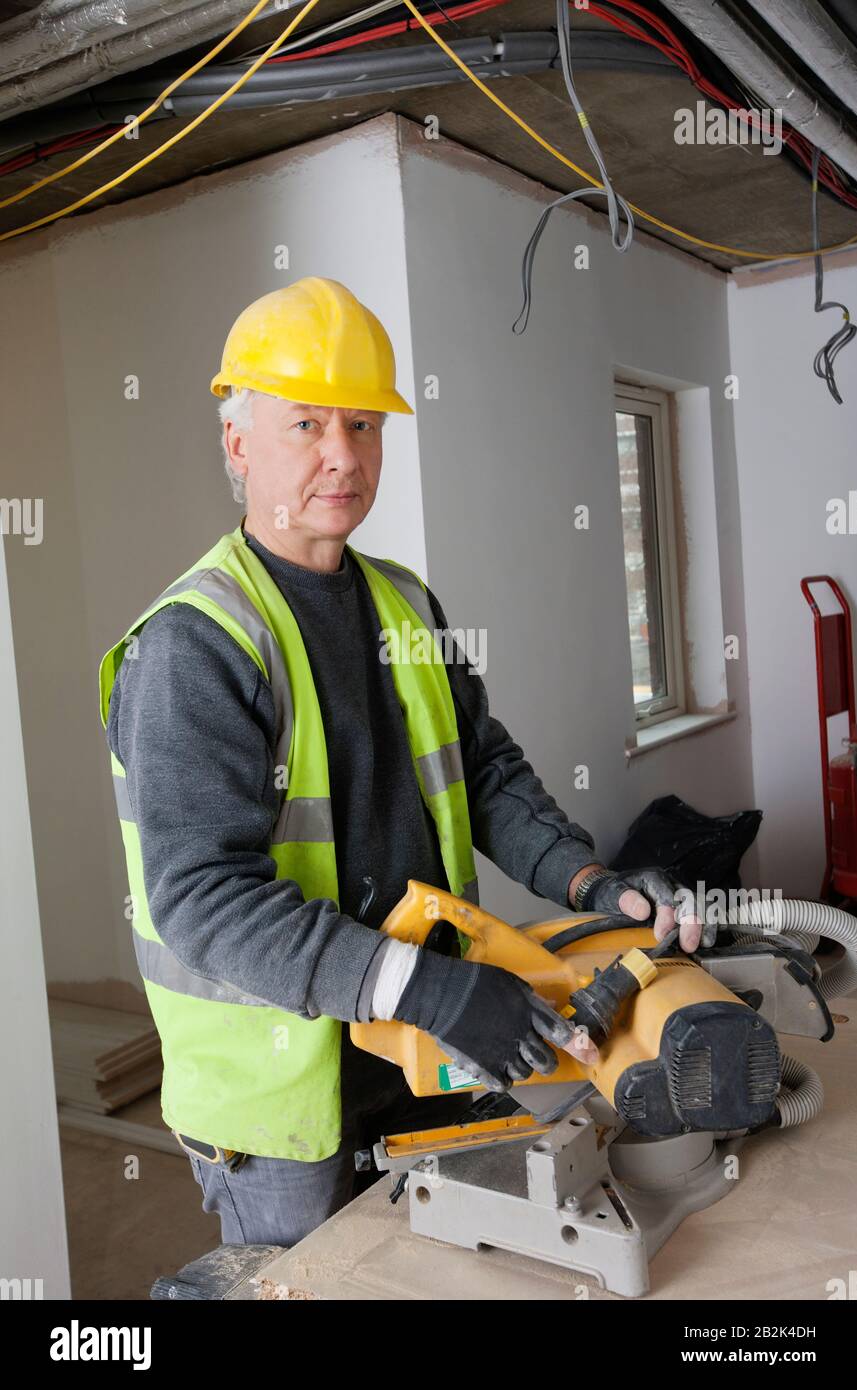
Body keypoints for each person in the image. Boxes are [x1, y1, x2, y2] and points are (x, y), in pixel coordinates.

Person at [98, 276, 701, 1248]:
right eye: (306, 425)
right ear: (238, 442)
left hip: (428, 1048)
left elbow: (483, 768)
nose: (342, 456)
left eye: (363, 425)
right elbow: (202, 895)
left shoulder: (403, 604)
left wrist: (585, 877)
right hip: (285, 1100)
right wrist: (418, 984)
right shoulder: (194, 646)